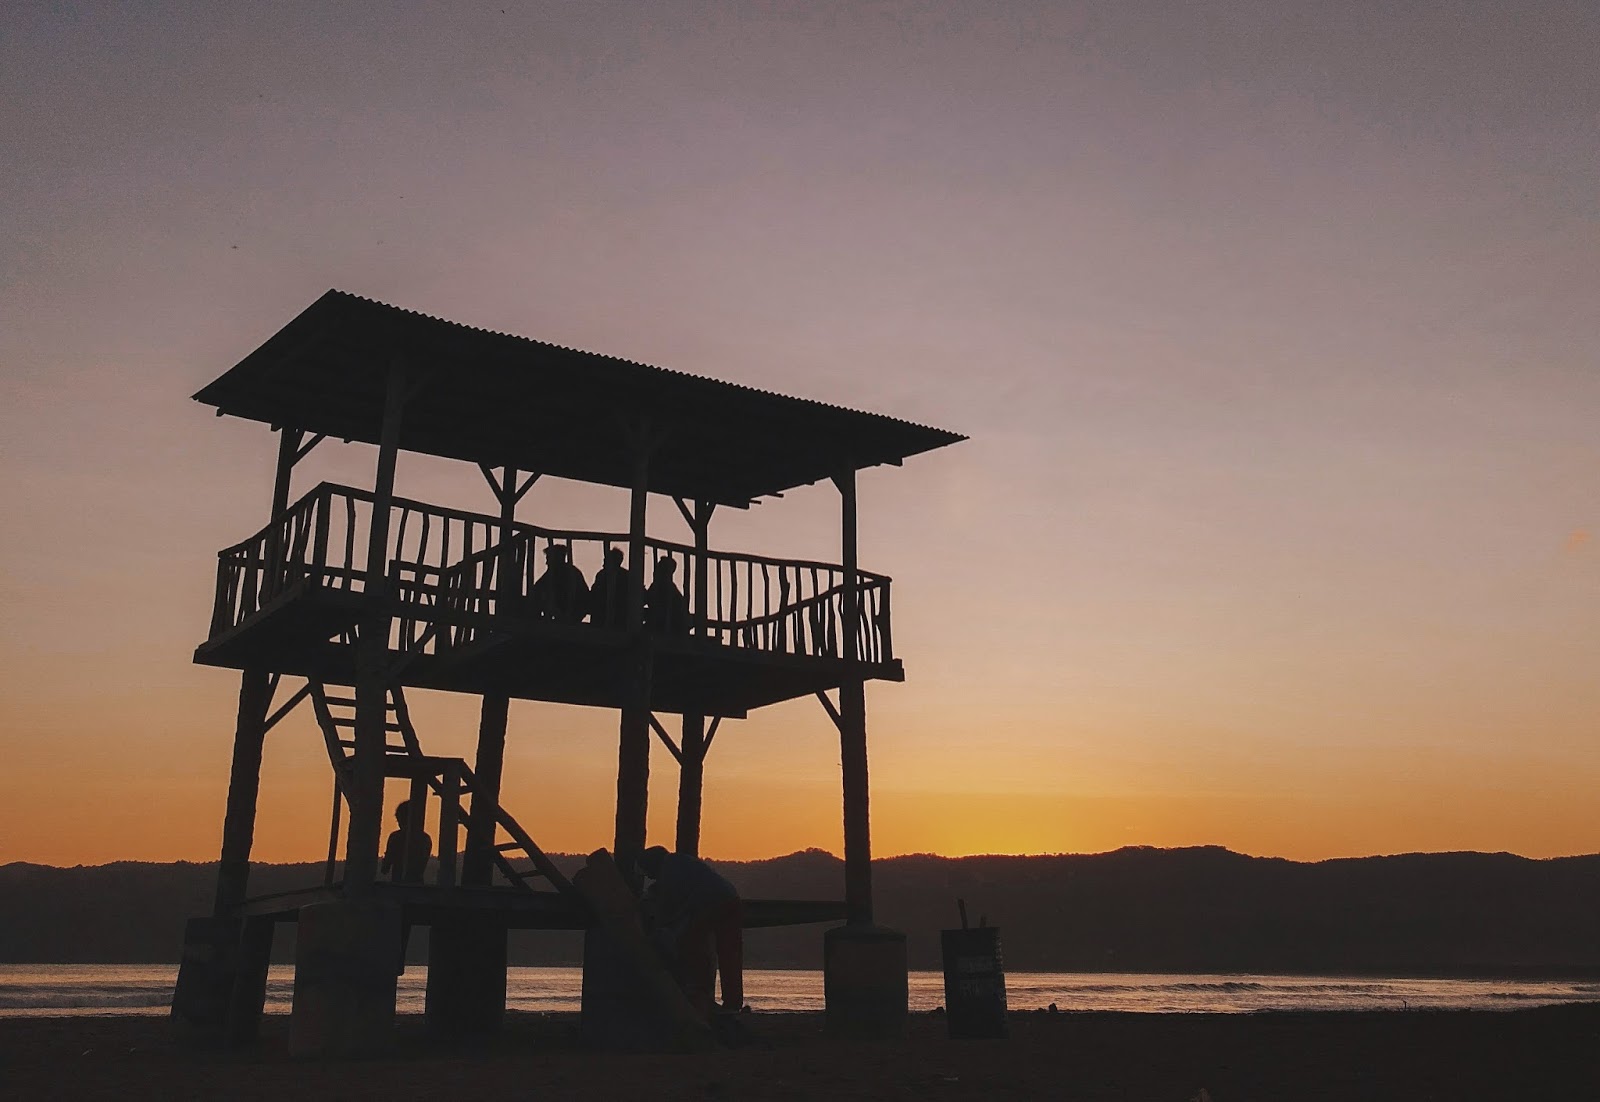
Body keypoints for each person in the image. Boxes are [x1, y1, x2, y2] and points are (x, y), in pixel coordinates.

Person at [638, 845, 743, 1016]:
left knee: (691, 944)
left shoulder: (670, 868)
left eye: (648, 872)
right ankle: (732, 1003)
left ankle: (697, 991)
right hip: (731, 899)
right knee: (729, 954)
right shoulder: (680, 862)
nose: (650, 877)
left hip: (713, 904)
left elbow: (668, 907)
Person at [527, 544, 590, 622]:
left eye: (548, 558)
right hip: (568, 612)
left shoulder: (568, 572)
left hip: (573, 613)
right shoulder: (555, 572)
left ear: (557, 558)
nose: (546, 563)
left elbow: (582, 598)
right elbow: (537, 588)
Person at [380, 800, 432, 884]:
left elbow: (385, 869)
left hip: (397, 884)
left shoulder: (395, 837)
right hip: (418, 886)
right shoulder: (426, 839)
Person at [588, 546, 633, 629]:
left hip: (617, 621)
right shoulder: (601, 575)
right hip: (602, 620)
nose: (603, 564)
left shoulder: (625, 577)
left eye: (606, 561)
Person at [644, 556, 688, 634]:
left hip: (667, 627)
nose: (655, 571)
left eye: (659, 567)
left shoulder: (663, 586)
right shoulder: (668, 586)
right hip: (670, 626)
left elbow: (648, 599)